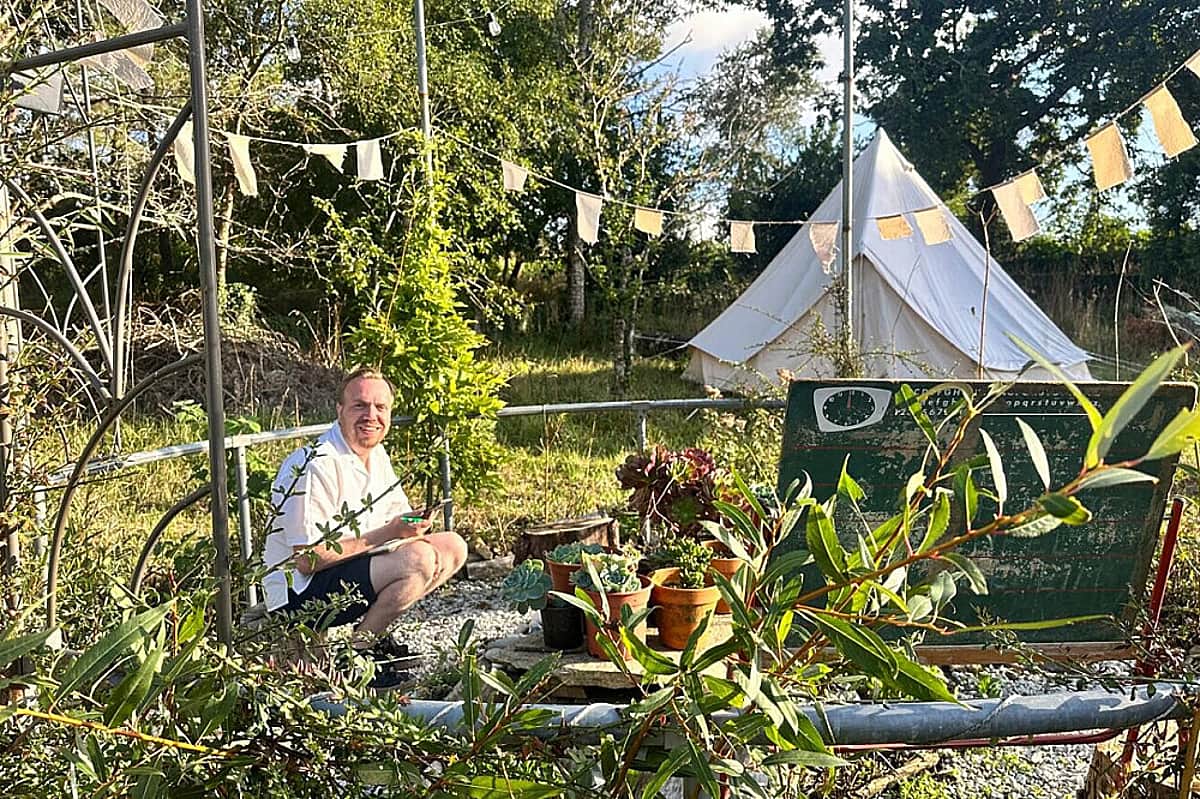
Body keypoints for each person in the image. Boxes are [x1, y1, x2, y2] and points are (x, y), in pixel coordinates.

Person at [261, 367, 468, 682]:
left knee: (452, 546)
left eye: (380, 407)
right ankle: (356, 658)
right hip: (297, 593)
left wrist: (414, 524)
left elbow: (395, 518)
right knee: (419, 560)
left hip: (347, 568)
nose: (371, 415)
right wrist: (391, 533)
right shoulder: (316, 464)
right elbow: (306, 560)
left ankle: (370, 638)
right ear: (340, 411)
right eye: (360, 405)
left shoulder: (376, 453)